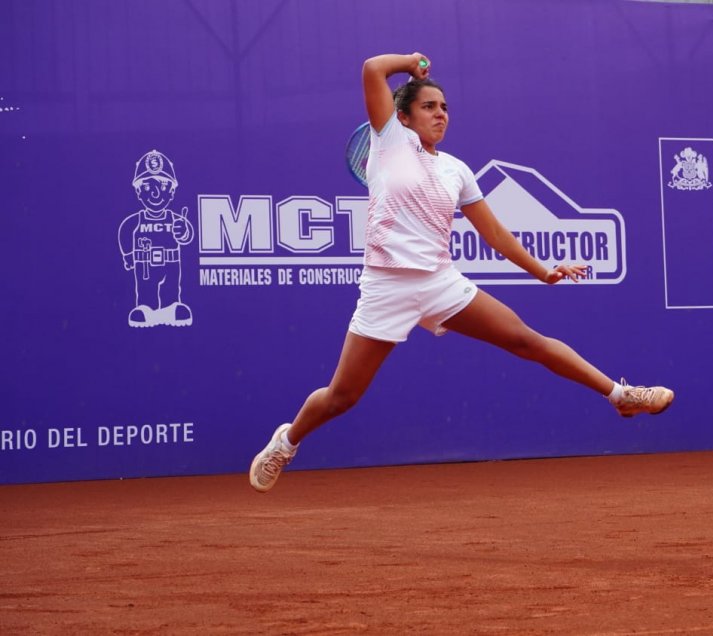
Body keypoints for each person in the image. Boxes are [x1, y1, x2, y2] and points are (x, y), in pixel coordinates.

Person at [250, 53, 673, 492]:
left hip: (439, 282)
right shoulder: (388, 142)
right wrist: (411, 64)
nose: (441, 115)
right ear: (402, 117)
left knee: (526, 339)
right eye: (429, 107)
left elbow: (495, 233)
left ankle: (621, 396)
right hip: (387, 286)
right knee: (343, 396)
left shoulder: (457, 170)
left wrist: (544, 271)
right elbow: (372, 68)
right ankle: (286, 442)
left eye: (444, 107)